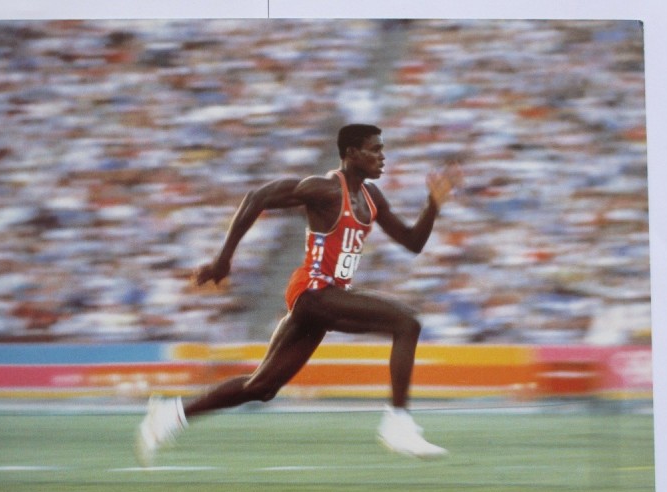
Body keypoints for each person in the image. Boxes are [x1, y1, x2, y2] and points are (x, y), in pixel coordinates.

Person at [136, 124, 463, 465]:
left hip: (325, 301)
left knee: (261, 387)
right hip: (313, 292)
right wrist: (223, 260)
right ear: (351, 154)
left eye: (383, 149)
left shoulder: (372, 198)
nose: (383, 157)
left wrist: (433, 205)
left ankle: (169, 415)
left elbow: (413, 242)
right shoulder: (324, 189)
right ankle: (398, 422)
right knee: (406, 322)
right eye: (375, 149)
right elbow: (256, 198)